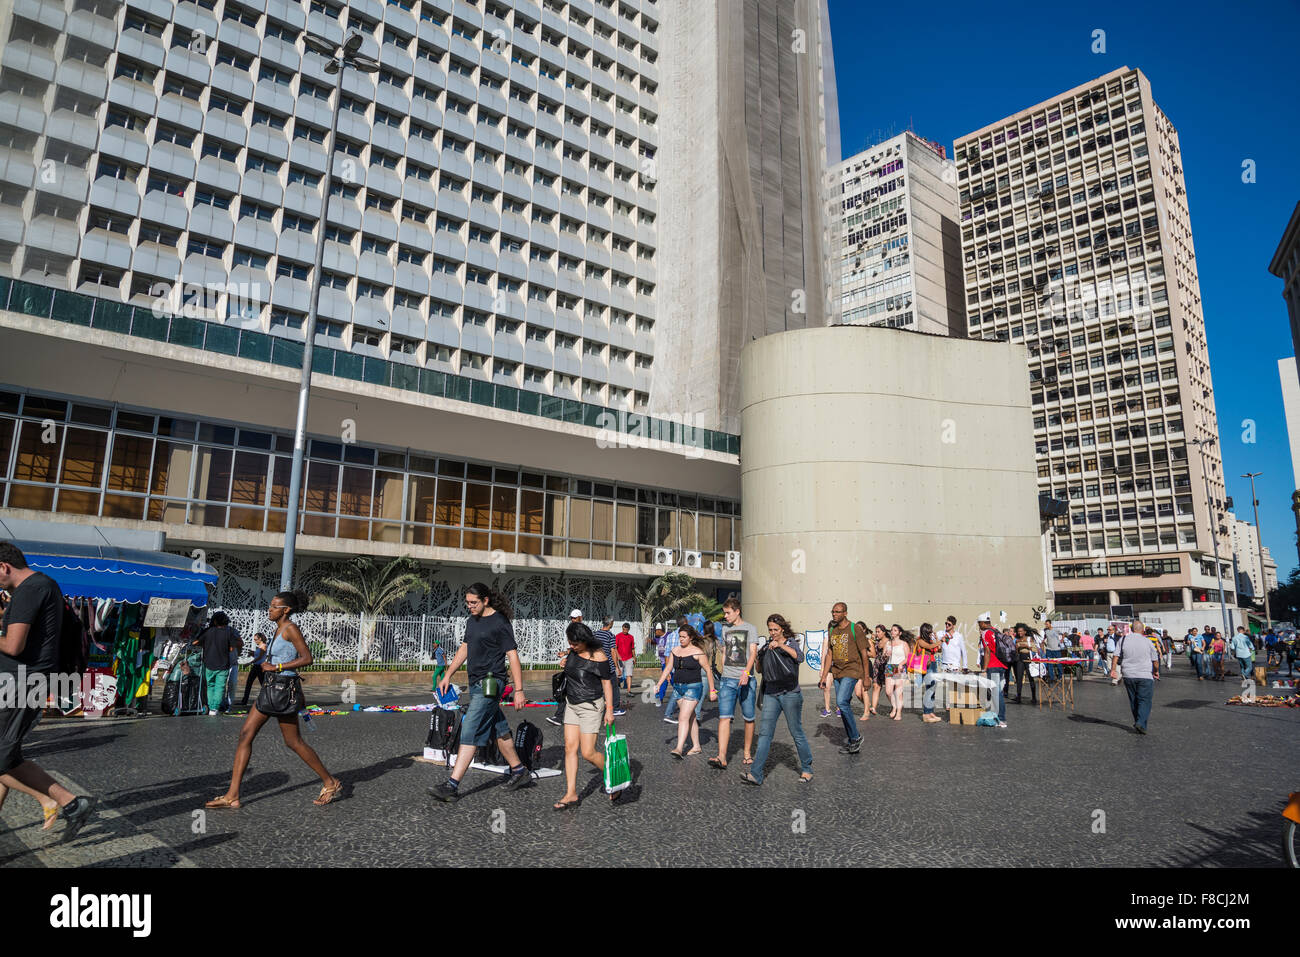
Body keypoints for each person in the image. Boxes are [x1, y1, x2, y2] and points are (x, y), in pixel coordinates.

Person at [206, 590, 342, 809]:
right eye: (270, 605)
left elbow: (307, 658)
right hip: (269, 688)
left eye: (274, 606)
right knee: (245, 735)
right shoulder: (277, 629)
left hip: (283, 691)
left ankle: (330, 781)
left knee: (293, 742)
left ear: (285, 610)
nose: (269, 609)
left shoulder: (291, 629)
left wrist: (278, 667)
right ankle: (232, 795)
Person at [0, 542, 96, 840]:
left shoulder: (30, 589)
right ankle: (66, 802)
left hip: (19, 683)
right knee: (6, 754)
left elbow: (13, 645)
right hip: (23, 682)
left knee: (3, 756)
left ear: (4, 567)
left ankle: (69, 801)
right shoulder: (44, 585)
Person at [429, 583, 532, 802]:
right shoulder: (471, 621)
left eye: (473, 602)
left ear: (486, 600)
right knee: (498, 729)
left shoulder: (500, 622)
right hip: (475, 683)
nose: (470, 606)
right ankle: (519, 771)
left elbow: (512, 656)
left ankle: (452, 785)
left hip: (491, 684)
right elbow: (464, 648)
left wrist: (520, 690)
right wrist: (447, 675)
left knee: (470, 728)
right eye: (467, 602)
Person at [742, 615, 812, 786]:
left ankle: (807, 769)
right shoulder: (767, 646)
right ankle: (756, 774)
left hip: (790, 694)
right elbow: (759, 670)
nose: (772, 633)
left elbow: (800, 657)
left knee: (796, 732)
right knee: (765, 734)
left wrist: (780, 645)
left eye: (775, 629)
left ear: (782, 628)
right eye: (770, 630)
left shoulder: (790, 642)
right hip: (771, 693)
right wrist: (760, 656)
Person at [553, 621, 616, 809]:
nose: (571, 647)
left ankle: (614, 775)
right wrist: (565, 661)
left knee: (588, 753)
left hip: (591, 706)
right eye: (570, 643)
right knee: (569, 749)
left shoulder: (598, 656)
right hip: (572, 705)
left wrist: (610, 710)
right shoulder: (573, 652)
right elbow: (572, 668)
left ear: (585, 641)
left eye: (575, 644)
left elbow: (607, 683)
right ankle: (571, 793)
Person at [711, 598, 760, 769]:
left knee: (748, 717)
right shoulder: (725, 629)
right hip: (727, 680)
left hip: (747, 680)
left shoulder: (750, 628)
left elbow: (753, 653)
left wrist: (746, 673)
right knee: (724, 717)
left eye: (728, 613)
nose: (725, 616)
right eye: (724, 612)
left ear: (737, 611)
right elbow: (725, 650)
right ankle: (721, 756)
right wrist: (724, 670)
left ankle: (747, 753)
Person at [654, 623, 716, 757]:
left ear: (690, 637)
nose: (681, 639)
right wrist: (659, 684)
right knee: (691, 717)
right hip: (678, 688)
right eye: (680, 637)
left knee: (683, 717)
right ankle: (697, 746)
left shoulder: (698, 652)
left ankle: (679, 748)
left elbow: (708, 671)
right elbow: (668, 668)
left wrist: (712, 690)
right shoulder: (675, 650)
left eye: (683, 637)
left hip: (693, 688)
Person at [817, 602, 872, 751]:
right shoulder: (832, 630)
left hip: (852, 670)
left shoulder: (855, 629)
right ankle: (852, 741)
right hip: (837, 672)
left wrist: (866, 677)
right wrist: (823, 676)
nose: (834, 614)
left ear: (845, 613)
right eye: (833, 612)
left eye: (837, 612)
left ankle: (855, 737)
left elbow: (864, 655)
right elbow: (830, 654)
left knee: (841, 702)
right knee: (844, 704)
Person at [1111, 617, 1160, 734]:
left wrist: (1113, 670)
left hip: (1128, 674)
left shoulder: (1123, 640)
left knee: (1133, 700)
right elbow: (1155, 661)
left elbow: (1116, 656)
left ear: (1132, 629)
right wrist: (1156, 671)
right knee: (1144, 700)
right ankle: (1140, 723)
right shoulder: (1148, 641)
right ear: (1143, 630)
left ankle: (1139, 722)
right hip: (1145, 675)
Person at [193, 611, 240, 715]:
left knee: (210, 685)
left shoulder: (207, 631)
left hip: (208, 663)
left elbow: (195, 642)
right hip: (223, 664)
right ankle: (214, 709)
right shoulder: (229, 632)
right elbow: (232, 648)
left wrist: (206, 643)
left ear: (214, 621)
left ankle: (211, 707)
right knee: (220, 687)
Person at [548, 610, 584, 727]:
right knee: (565, 690)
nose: (572, 620)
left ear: (580, 617)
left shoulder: (583, 631)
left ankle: (583, 715)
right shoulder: (573, 630)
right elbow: (574, 648)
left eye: (574, 618)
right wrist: (565, 655)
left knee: (576, 691)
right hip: (572, 665)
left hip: (580, 667)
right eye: (571, 618)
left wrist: (567, 657)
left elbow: (580, 649)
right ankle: (559, 716)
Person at [977, 612, 1008, 728]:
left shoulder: (986, 633)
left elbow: (987, 652)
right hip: (1002, 665)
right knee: (998, 691)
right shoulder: (997, 631)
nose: (979, 625)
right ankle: (998, 716)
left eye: (979, 623)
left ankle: (1001, 718)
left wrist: (984, 669)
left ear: (984, 623)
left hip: (993, 666)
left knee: (996, 693)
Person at [912, 623, 943, 724]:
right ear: (925, 632)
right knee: (929, 688)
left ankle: (930, 711)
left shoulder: (931, 640)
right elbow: (930, 646)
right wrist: (940, 641)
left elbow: (939, 649)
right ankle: (926, 713)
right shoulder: (920, 640)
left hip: (933, 664)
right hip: (927, 665)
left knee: (933, 687)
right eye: (929, 632)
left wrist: (937, 638)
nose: (931, 633)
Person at [593, 616, 624, 716]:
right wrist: (617, 667)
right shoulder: (610, 635)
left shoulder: (595, 634)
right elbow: (613, 651)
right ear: (610, 623)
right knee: (614, 687)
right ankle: (615, 708)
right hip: (608, 664)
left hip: (596, 664)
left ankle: (597, 707)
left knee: (598, 687)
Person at [881, 624, 912, 722]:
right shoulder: (888, 643)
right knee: (888, 692)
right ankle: (894, 706)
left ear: (900, 633)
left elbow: (908, 657)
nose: (892, 632)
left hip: (899, 668)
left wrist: (901, 664)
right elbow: (883, 656)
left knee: (898, 692)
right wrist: (886, 655)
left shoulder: (903, 644)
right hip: (890, 667)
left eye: (895, 630)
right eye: (891, 630)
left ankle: (898, 712)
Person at [1012, 622, 1039, 704]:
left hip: (1028, 659)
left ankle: (1034, 697)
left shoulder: (1029, 639)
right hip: (1020, 659)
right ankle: (1018, 696)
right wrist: (1016, 648)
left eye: (1021, 631)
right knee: (1019, 679)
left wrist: (1027, 646)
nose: (1020, 633)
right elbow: (1016, 652)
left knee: (1030, 678)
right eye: (1018, 631)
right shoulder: (1017, 640)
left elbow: (1035, 650)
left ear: (1025, 632)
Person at [239, 633, 268, 707]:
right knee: (249, 683)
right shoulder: (259, 646)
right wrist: (252, 653)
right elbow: (257, 655)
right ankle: (244, 700)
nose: (255, 641)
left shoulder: (263, 646)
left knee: (263, 684)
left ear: (260, 639)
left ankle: (267, 700)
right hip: (256, 666)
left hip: (260, 667)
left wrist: (249, 663)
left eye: (256, 639)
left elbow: (259, 658)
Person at [869, 623, 889, 716]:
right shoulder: (876, 641)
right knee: (876, 686)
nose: (877, 633)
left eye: (879, 631)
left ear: (884, 632)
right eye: (876, 631)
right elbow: (872, 651)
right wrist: (872, 640)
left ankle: (896, 706)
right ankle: (873, 707)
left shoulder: (889, 641)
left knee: (890, 690)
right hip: (877, 665)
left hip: (890, 666)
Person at [615, 622, 636, 694]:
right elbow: (615, 648)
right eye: (623, 629)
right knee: (618, 675)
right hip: (620, 659)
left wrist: (634, 657)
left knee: (629, 674)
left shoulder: (631, 637)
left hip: (629, 658)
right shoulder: (618, 636)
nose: (625, 631)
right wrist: (618, 656)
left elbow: (632, 648)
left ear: (628, 630)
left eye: (626, 630)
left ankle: (629, 690)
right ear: (622, 628)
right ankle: (617, 684)